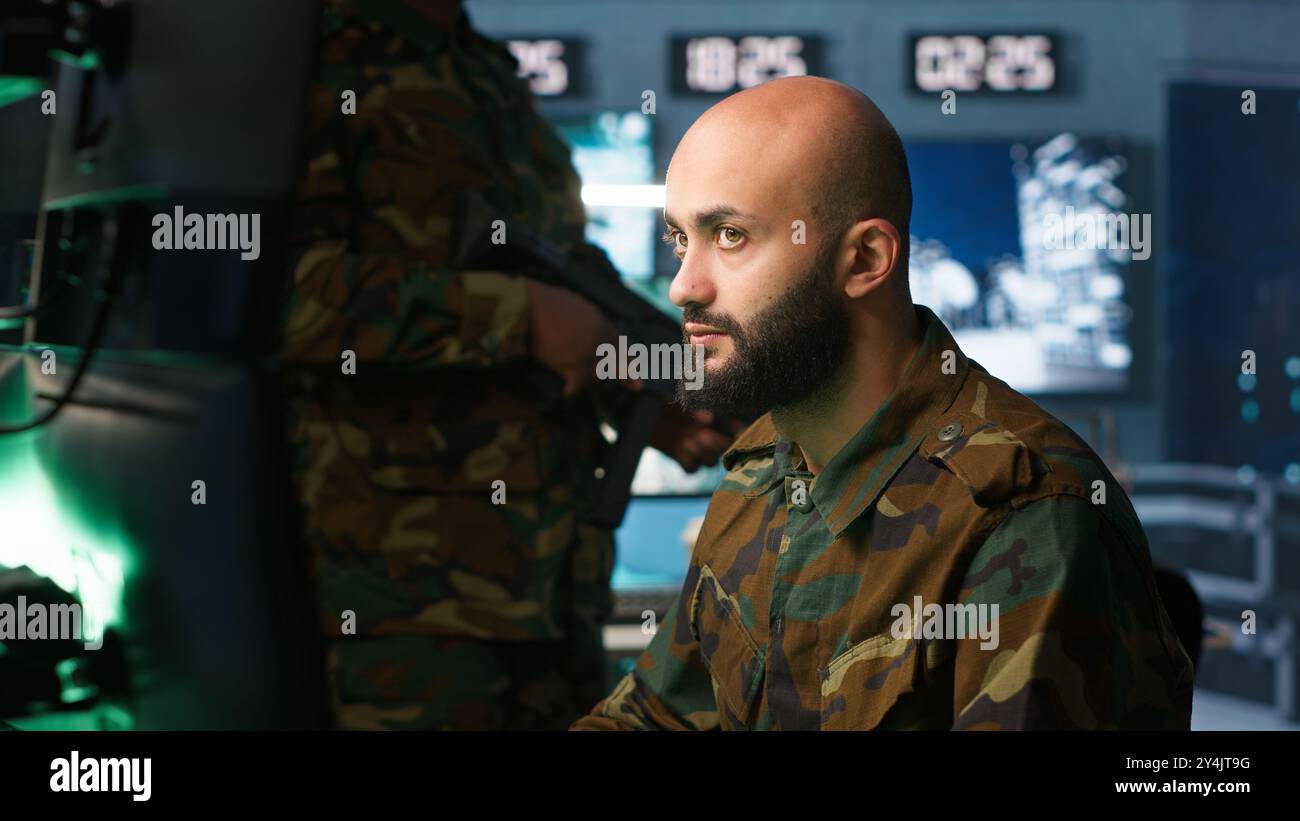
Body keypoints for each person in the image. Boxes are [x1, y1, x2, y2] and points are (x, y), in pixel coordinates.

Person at [572, 76, 1195, 730]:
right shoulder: (757, 479)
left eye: (729, 235)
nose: (683, 285)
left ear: (866, 258)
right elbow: (652, 716)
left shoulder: (1027, 517)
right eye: (680, 239)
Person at [278, 0, 731, 730]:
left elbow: (569, 283)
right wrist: (513, 316)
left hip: (555, 584)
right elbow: (280, 297)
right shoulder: (319, 57)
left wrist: (647, 400)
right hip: (407, 594)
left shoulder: (483, 72)